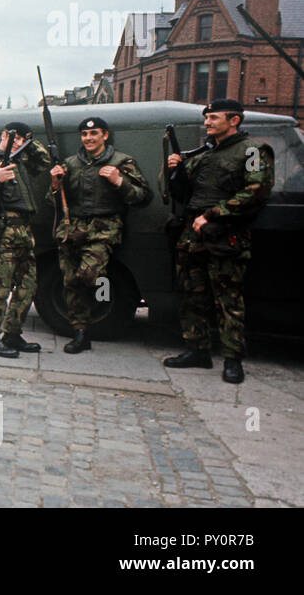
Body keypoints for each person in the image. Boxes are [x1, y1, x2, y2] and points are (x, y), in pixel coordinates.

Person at [163, 98, 274, 384]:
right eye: (206, 118)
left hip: (226, 234)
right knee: (191, 295)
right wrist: (173, 169)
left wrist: (213, 215)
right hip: (192, 234)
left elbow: (256, 190)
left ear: (234, 120)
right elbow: (179, 192)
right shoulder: (203, 156)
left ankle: (233, 359)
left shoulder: (251, 150)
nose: (207, 122)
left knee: (228, 300)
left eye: (213, 117)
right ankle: (196, 350)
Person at [49, 117, 152, 353]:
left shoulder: (121, 161)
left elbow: (142, 197)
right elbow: (53, 201)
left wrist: (119, 181)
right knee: (69, 281)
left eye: (94, 133)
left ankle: (100, 301)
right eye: (84, 135)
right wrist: (55, 185)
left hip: (104, 228)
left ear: (105, 135)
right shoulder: (70, 164)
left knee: (86, 275)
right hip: (72, 228)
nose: (89, 138)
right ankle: (80, 333)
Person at [0, 121, 52, 358]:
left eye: (22, 140)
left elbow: (44, 163)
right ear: (3, 135)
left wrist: (29, 144)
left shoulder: (21, 160)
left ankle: (12, 333)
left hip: (23, 232)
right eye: (14, 139)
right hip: (2, 233)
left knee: (28, 286)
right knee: (0, 289)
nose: (18, 144)